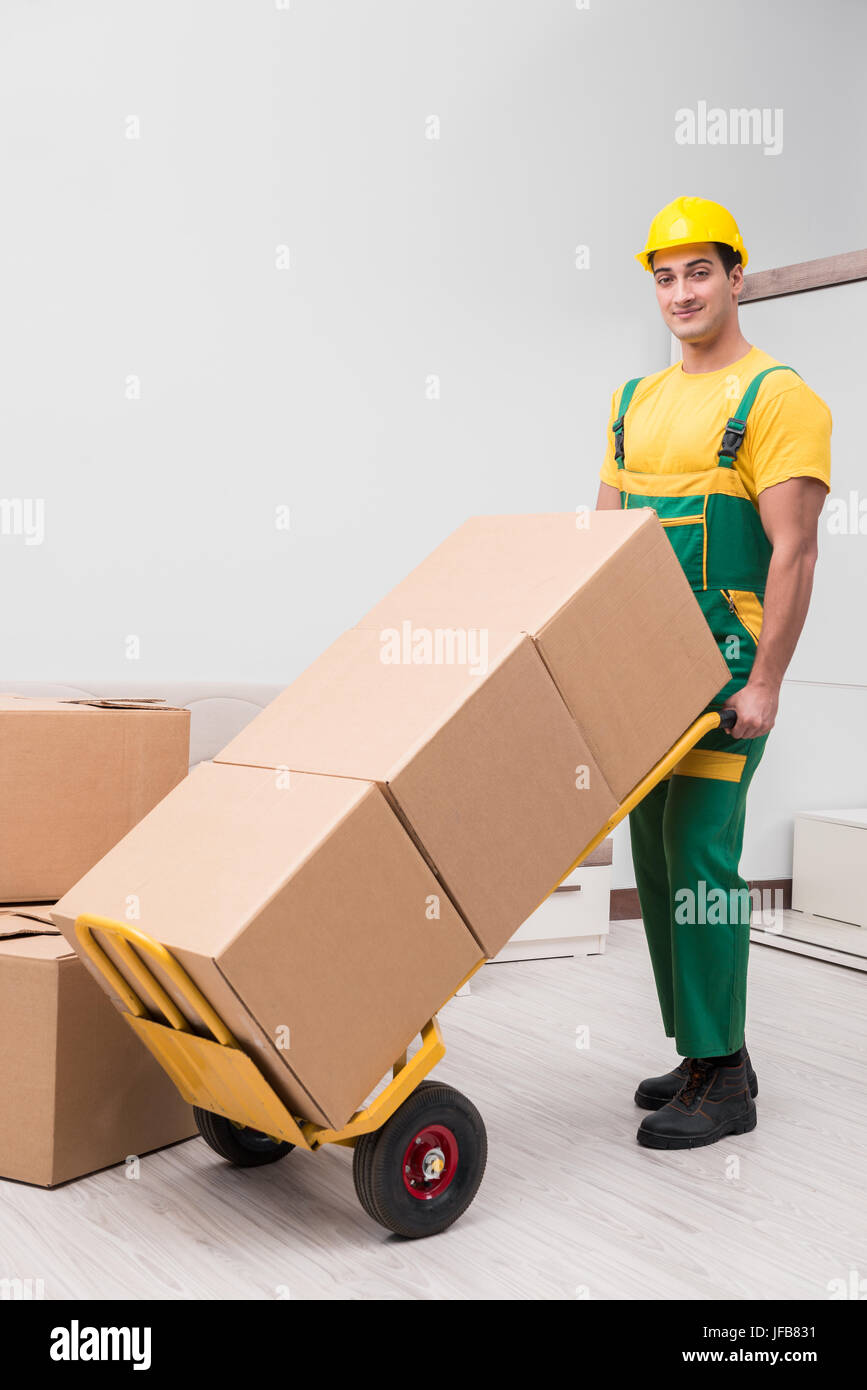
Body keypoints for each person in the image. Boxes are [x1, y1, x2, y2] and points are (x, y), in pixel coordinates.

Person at [595, 195, 831, 1149]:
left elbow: (795, 552)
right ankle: (701, 1048)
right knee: (652, 851)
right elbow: (605, 546)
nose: (681, 292)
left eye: (699, 272)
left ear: (736, 277)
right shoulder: (632, 401)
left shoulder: (776, 397)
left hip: (728, 666)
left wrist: (765, 684)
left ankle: (726, 1079)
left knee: (698, 853)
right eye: (664, 276)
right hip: (647, 663)